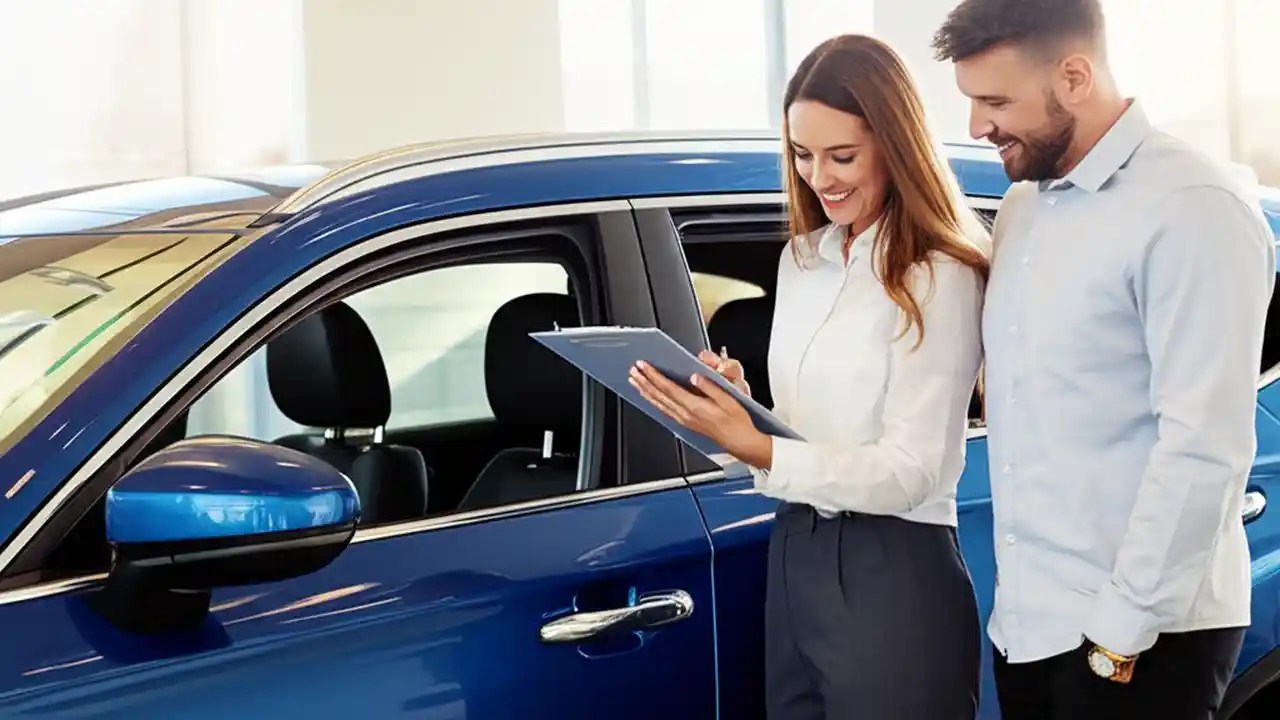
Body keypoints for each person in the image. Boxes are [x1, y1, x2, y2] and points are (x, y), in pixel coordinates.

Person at [931, 1, 1277, 718]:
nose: (976, 125)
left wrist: (1117, 636)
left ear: (1075, 76)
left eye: (996, 101)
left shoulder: (1191, 204)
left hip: (1141, 639)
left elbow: (1205, 444)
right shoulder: (1023, 207)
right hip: (1028, 630)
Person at [629, 34, 989, 719]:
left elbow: (911, 471)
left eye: (841, 155)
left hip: (895, 566)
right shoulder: (801, 260)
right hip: (796, 548)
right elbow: (808, 435)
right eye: (801, 154)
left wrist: (759, 446)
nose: (819, 177)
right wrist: (739, 409)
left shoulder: (937, 272)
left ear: (895, 144)